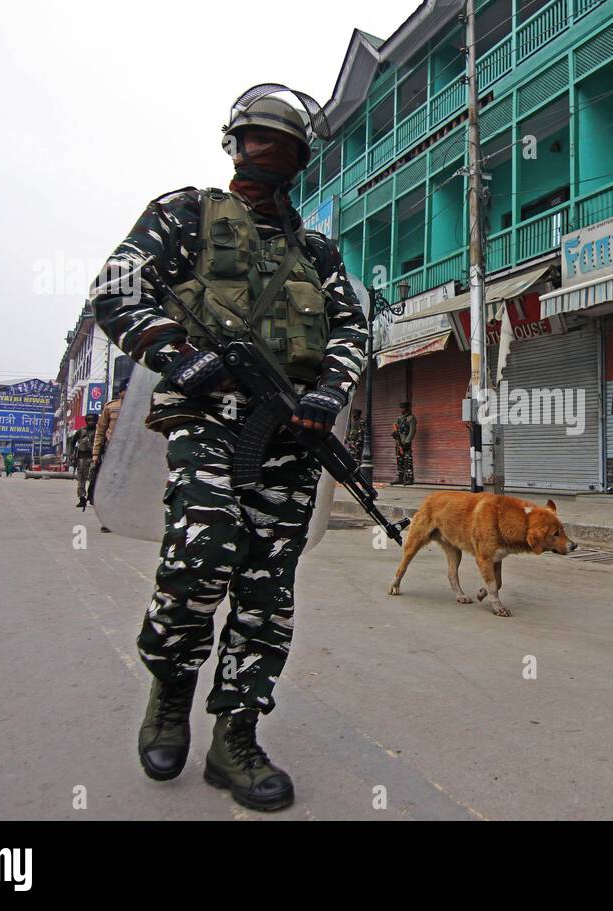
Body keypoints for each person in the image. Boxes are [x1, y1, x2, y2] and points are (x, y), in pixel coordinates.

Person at [89, 85, 367, 812]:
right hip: (210, 417)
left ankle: (235, 739)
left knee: (268, 591)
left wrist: (324, 397)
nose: (268, 156)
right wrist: (176, 354)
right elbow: (115, 289)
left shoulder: (317, 252)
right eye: (258, 142)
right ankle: (172, 686)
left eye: (285, 147)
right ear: (235, 145)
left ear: (300, 162)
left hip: (291, 437)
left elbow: (350, 332)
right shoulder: (185, 213)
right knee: (202, 552)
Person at [91, 375, 128, 532]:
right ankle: (108, 521)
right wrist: (95, 454)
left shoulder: (141, 407)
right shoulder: (110, 407)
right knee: (111, 486)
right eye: (127, 389)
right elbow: (100, 432)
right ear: (120, 391)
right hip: (112, 452)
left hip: (131, 454)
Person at [69, 413, 98, 509]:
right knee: (81, 478)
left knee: (94, 478)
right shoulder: (81, 431)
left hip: (95, 457)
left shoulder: (100, 431)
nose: (91, 422)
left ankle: (91, 496)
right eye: (89, 420)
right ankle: (82, 498)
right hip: (82, 458)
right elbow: (72, 442)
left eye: (93, 420)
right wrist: (71, 454)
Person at [392, 401, 417, 485]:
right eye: (401, 408)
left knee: (408, 460)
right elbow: (396, 429)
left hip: (405, 443)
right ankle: (400, 477)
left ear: (408, 408)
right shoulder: (399, 419)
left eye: (403, 408)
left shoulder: (411, 418)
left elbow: (412, 431)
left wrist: (407, 442)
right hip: (398, 443)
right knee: (399, 460)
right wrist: (394, 434)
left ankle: (409, 478)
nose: (402, 410)